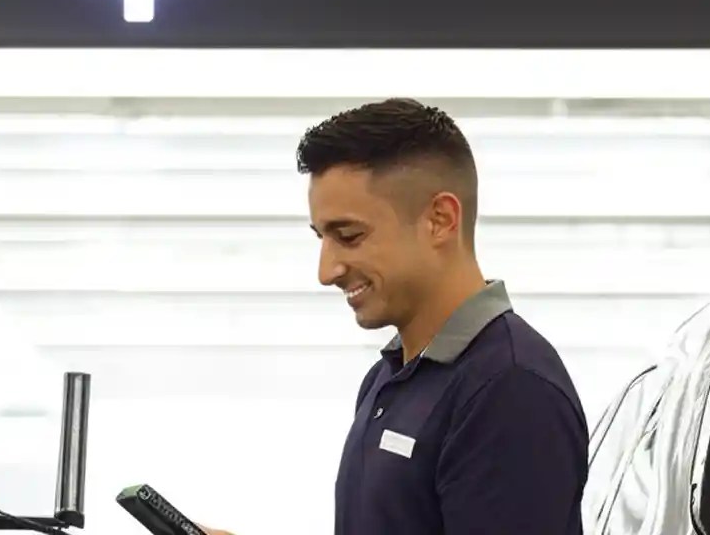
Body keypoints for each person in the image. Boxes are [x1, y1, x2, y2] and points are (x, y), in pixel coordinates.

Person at [198, 98, 589, 535]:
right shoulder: (389, 378)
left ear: (440, 220)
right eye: (322, 238)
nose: (326, 271)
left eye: (349, 236)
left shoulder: (510, 390)